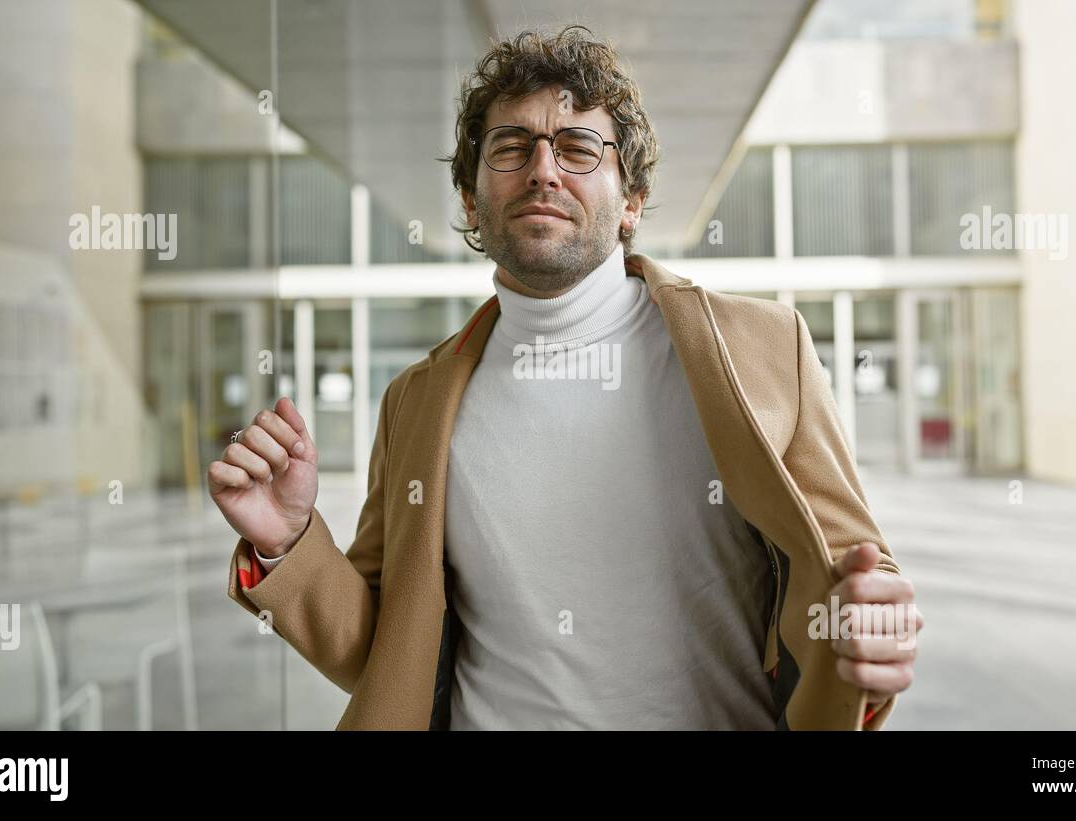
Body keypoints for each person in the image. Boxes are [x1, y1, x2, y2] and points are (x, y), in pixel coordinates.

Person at [210, 24, 921, 730]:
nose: (543, 170)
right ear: (469, 200)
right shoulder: (415, 405)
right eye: (510, 147)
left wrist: (873, 628)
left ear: (632, 202)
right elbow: (392, 651)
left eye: (579, 148)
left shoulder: (765, 351)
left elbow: (856, 576)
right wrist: (289, 541)